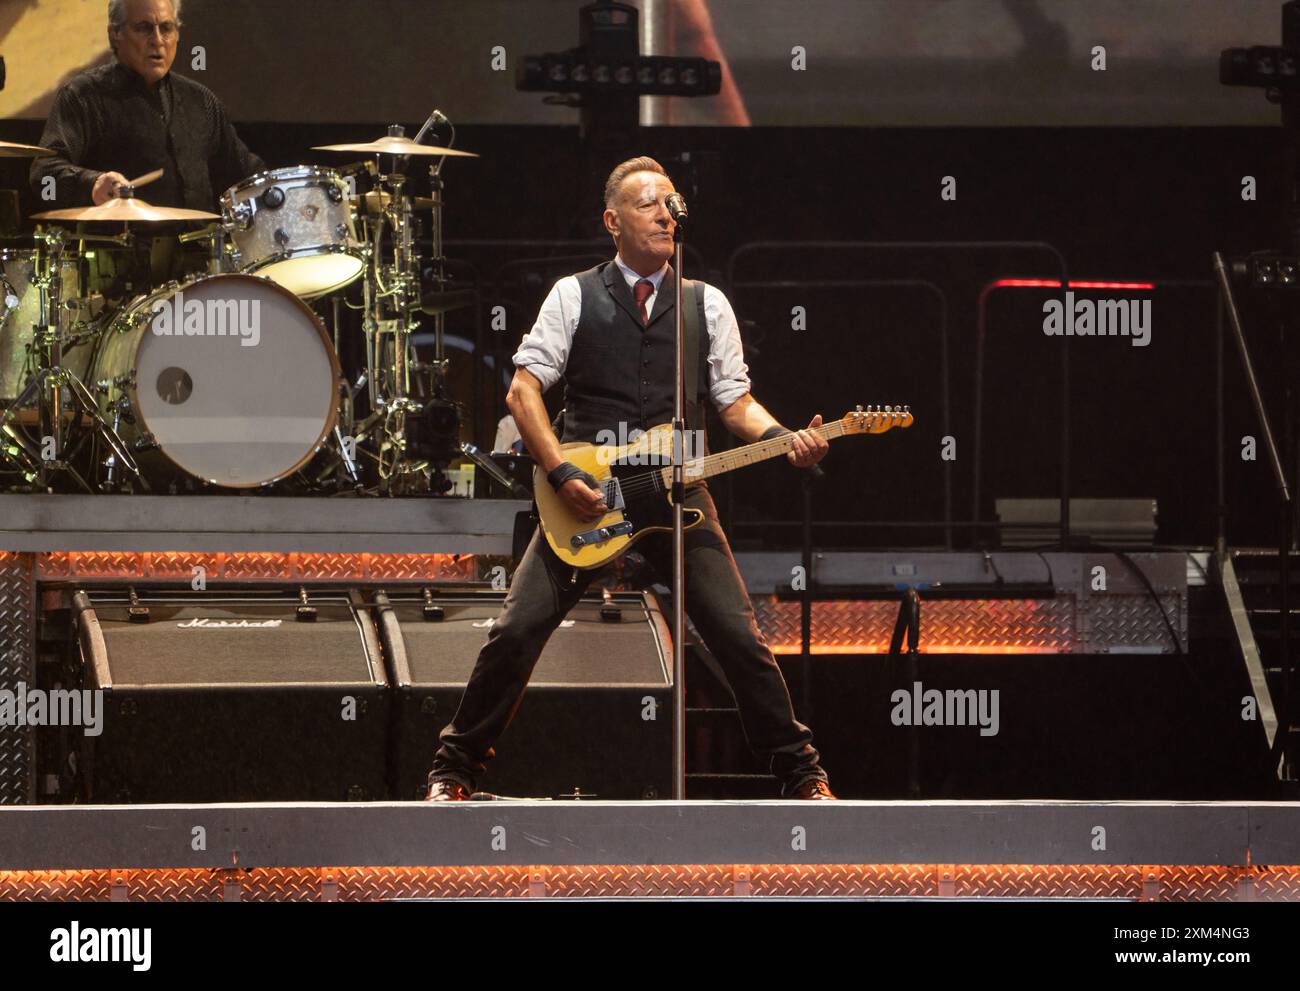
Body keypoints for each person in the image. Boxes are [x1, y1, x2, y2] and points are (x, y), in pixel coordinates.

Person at [426, 156, 836, 802]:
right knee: (516, 629)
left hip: (679, 491)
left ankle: (802, 773)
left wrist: (787, 441)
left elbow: (734, 403)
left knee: (736, 634)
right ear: (612, 221)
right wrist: (559, 472)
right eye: (650, 204)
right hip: (587, 493)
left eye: (672, 203)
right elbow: (523, 391)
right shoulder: (573, 294)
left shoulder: (707, 303)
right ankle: (454, 770)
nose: (666, 214)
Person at [29, 0, 263, 212]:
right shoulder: (83, 96)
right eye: (143, 28)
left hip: (201, 254)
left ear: (178, 34)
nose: (158, 40)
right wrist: (93, 183)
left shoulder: (201, 101)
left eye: (167, 28)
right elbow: (44, 176)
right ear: (115, 34)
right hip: (119, 252)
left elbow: (245, 174)